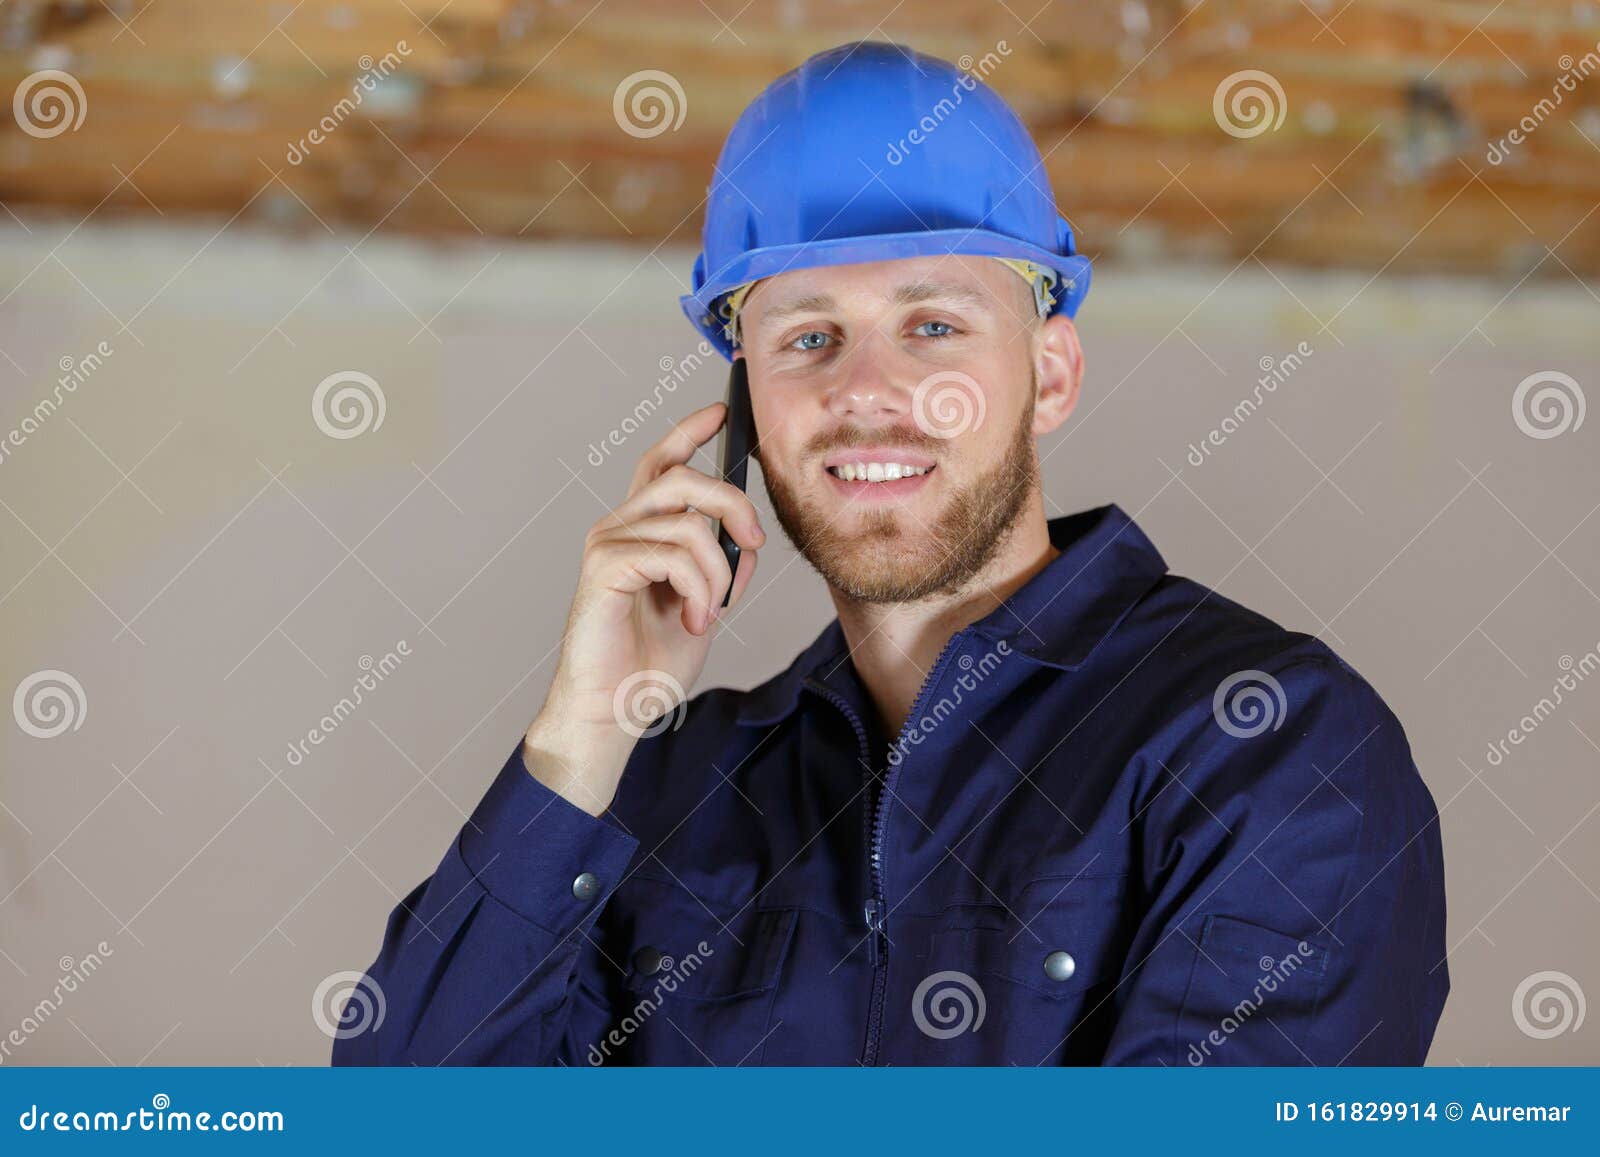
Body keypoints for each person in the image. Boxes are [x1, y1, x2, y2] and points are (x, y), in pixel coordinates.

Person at [333, 40, 1447, 1067]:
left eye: (932, 326)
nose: (864, 394)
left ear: (1049, 375)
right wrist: (581, 739)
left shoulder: (1268, 744)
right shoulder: (669, 789)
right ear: (744, 412)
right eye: (808, 336)